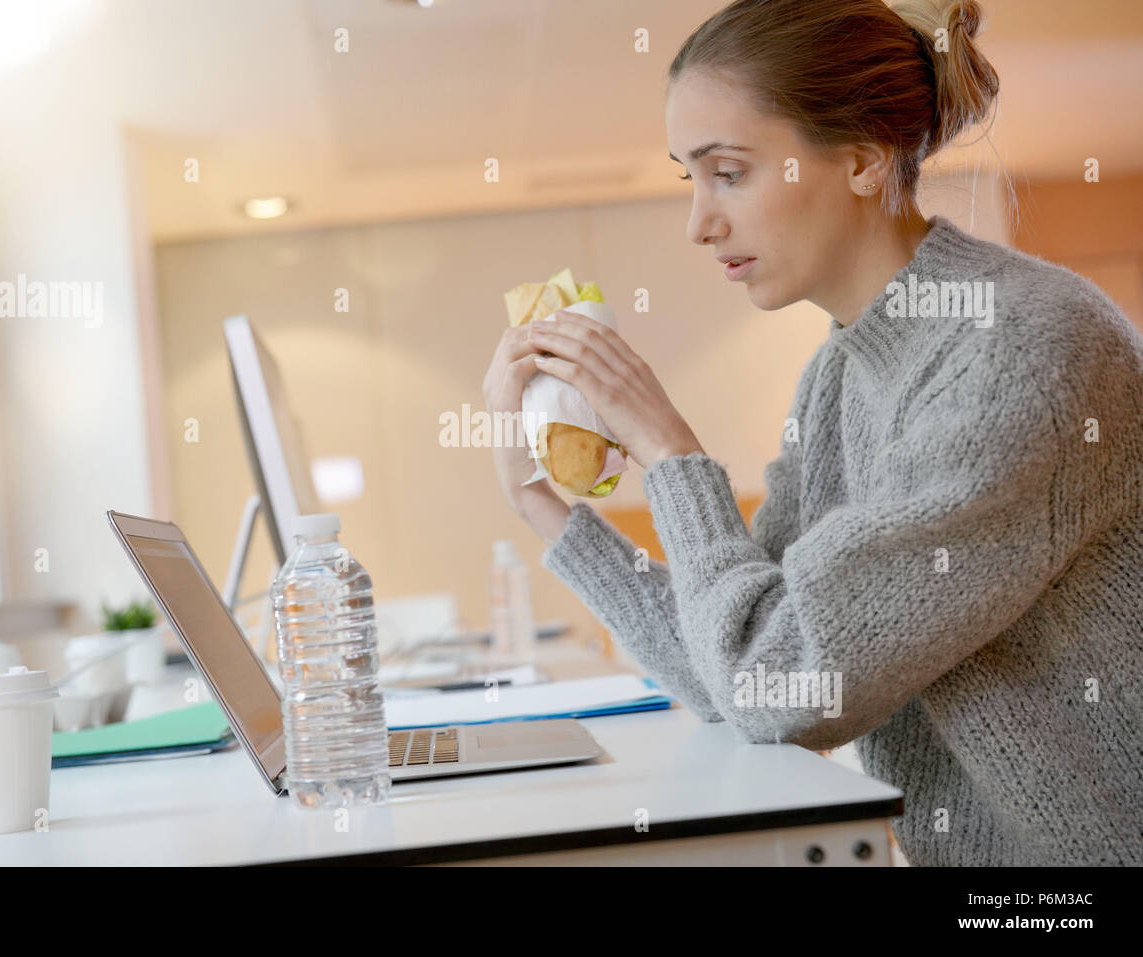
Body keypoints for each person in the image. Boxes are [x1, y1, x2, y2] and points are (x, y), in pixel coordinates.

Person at [481, 0, 1143, 867]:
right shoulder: (840, 374)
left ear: (864, 160)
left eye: (729, 172)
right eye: (691, 178)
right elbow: (734, 666)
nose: (699, 222)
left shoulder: (1020, 350)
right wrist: (540, 503)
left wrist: (671, 451)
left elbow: (775, 685)